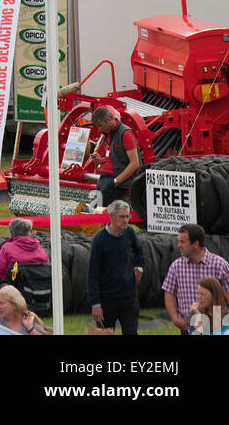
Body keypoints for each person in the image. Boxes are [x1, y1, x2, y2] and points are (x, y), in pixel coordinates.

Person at [87, 200, 144, 336]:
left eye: (127, 216)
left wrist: (139, 268)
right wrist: (95, 304)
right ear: (112, 217)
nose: (126, 220)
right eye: (122, 217)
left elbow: (139, 251)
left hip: (129, 297)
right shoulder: (99, 240)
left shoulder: (129, 232)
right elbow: (92, 273)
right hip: (107, 299)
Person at [163, 223, 229, 332]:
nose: (178, 245)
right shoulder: (176, 266)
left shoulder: (220, 265)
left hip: (215, 325)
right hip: (187, 325)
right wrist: (175, 319)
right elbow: (169, 293)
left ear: (196, 244)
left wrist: (218, 323)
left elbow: (227, 295)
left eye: (182, 242)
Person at [91, 106, 140, 207]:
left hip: (116, 180)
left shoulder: (126, 133)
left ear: (109, 120)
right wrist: (101, 160)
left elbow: (135, 163)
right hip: (106, 178)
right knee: (96, 209)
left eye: (100, 125)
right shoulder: (108, 133)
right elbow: (116, 157)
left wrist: (116, 181)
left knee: (97, 210)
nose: (99, 130)